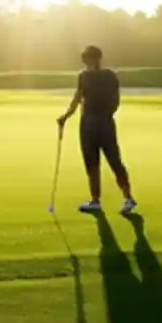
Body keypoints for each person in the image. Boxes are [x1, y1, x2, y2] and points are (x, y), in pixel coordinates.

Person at [57, 45, 137, 214]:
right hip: (92, 124)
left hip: (99, 124)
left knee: (114, 161)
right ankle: (96, 201)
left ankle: (128, 198)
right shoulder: (86, 76)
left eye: (88, 59)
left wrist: (104, 114)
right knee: (92, 163)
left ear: (96, 59)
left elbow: (114, 100)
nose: (86, 63)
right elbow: (78, 99)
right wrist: (65, 117)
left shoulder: (106, 76)